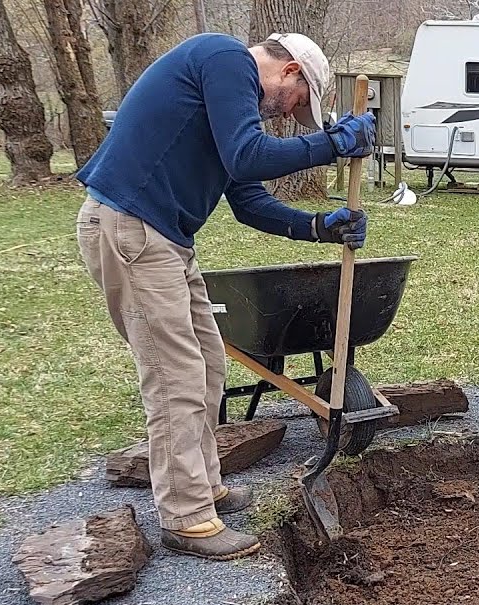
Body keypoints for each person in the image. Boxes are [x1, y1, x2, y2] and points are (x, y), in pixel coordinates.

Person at [74, 32, 376, 561]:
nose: (289, 116)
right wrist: (334, 143)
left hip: (164, 238)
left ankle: (203, 484)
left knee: (209, 363)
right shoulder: (223, 58)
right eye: (299, 104)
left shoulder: (227, 102)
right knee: (175, 377)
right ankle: (186, 516)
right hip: (132, 228)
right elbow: (251, 156)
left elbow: (250, 201)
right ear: (289, 74)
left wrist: (319, 228)